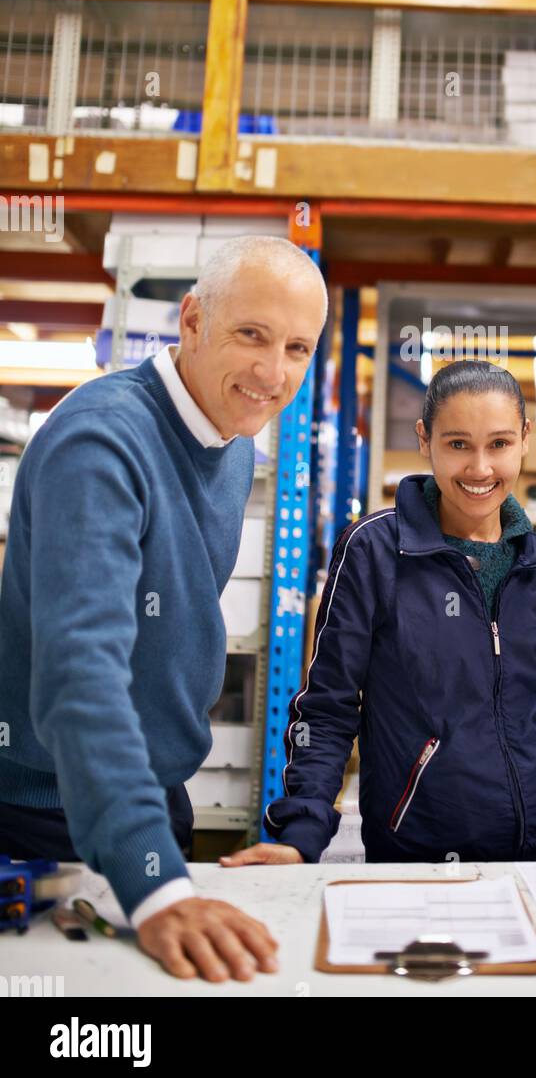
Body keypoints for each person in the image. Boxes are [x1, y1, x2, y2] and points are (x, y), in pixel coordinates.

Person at [0, 235, 327, 980]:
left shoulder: (231, 440)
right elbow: (81, 677)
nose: (273, 373)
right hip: (53, 812)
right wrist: (156, 887)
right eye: (252, 335)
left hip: (151, 797)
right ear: (190, 320)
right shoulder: (100, 443)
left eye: (298, 348)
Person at [222, 359, 536, 870]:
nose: (480, 469)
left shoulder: (534, 561)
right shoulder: (375, 551)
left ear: (524, 438)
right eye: (458, 444)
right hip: (421, 861)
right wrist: (301, 835)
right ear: (424, 439)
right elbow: (328, 708)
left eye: (498, 444)